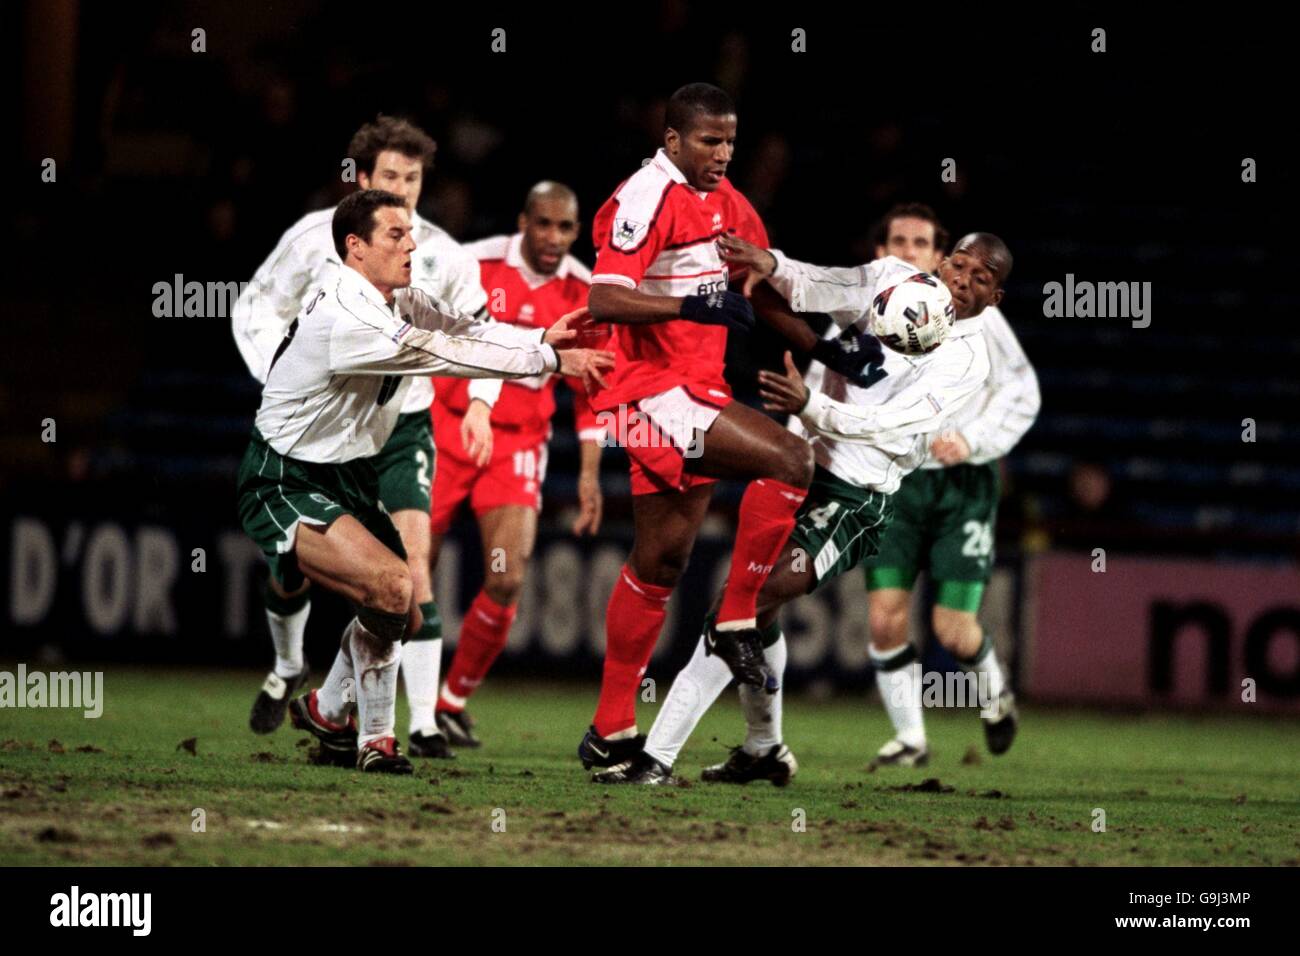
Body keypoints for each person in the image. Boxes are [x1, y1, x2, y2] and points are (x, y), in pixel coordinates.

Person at [611, 231, 1012, 785]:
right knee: (756, 612)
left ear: (994, 299)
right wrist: (770, 262)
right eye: (960, 265)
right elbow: (827, 282)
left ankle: (656, 759)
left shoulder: (969, 360)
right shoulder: (892, 277)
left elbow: (892, 427)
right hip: (798, 472)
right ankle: (764, 750)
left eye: (981, 279)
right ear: (944, 261)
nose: (963, 279)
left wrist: (813, 407)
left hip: (855, 500)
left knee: (740, 602)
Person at [236, 190, 613, 773]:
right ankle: (377, 742)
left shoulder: (397, 298)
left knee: (405, 612)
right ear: (354, 248)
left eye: (411, 232)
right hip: (283, 477)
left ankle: (329, 709)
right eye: (394, 234)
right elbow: (445, 354)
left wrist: (538, 339)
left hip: (346, 475)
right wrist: (551, 362)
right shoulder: (352, 316)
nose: (412, 243)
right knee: (391, 586)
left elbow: (466, 326)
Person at [232, 116, 490, 758]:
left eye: (415, 177)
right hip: (320, 436)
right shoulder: (315, 240)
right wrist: (279, 373)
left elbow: (481, 329)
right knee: (292, 575)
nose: (404, 189)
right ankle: (293, 667)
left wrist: (484, 402)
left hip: (401, 427)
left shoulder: (439, 253)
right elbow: (256, 306)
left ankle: (415, 722)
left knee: (408, 575)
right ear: (362, 180)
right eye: (391, 177)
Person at [429, 181, 607, 747]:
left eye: (565, 227)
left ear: (576, 231)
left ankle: (449, 702)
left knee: (506, 578)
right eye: (544, 224)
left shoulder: (585, 292)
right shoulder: (473, 263)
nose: (554, 238)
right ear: (523, 222)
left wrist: (586, 473)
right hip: (448, 427)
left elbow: (589, 390)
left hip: (516, 445)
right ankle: (363, 700)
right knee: (405, 574)